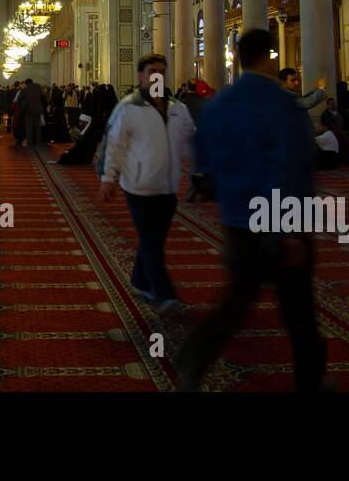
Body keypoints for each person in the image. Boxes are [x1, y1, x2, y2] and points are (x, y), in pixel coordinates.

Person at [175, 28, 327, 392]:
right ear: (268, 57)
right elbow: (292, 164)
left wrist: (224, 186)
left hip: (237, 220)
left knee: (235, 303)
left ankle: (195, 354)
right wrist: (290, 230)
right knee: (299, 314)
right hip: (277, 220)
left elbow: (201, 153)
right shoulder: (280, 102)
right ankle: (311, 383)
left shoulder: (221, 103)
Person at [98, 54, 196, 316]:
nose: (157, 76)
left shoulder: (178, 109)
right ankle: (164, 295)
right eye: (152, 71)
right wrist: (108, 177)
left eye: (162, 71)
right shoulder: (128, 108)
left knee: (153, 239)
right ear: (140, 76)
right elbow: (114, 145)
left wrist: (201, 171)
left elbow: (190, 143)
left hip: (168, 187)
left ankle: (140, 280)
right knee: (152, 240)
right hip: (138, 186)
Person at [19, 78, 44, 147]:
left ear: (26, 83)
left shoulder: (25, 89)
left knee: (29, 127)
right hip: (38, 110)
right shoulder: (38, 87)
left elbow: (20, 98)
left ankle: (30, 142)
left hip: (29, 110)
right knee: (37, 127)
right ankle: (38, 142)